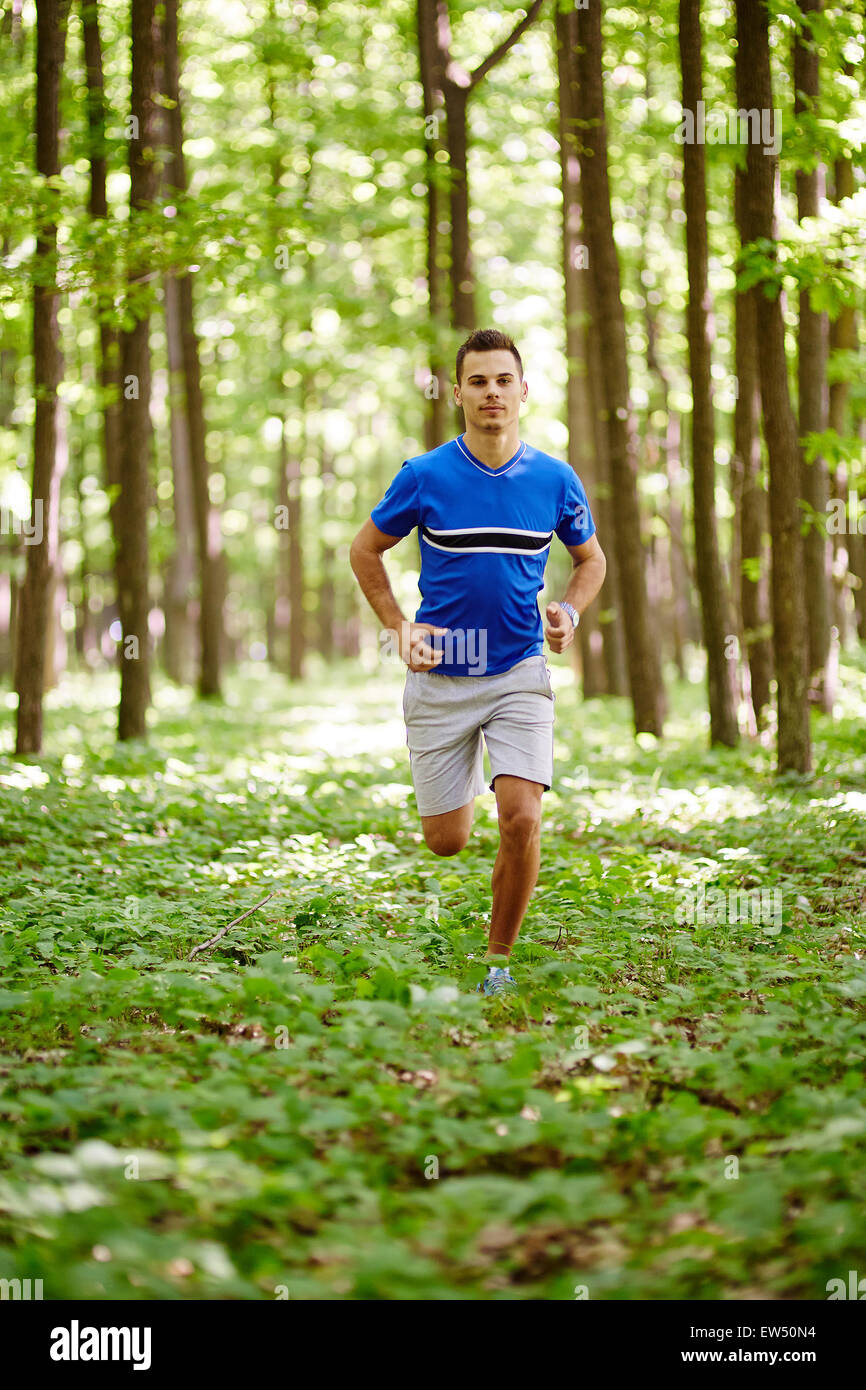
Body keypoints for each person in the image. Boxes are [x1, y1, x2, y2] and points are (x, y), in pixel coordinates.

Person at [349, 329, 606, 995]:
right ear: (458, 392)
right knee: (446, 842)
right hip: (441, 671)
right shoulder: (425, 476)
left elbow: (591, 560)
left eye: (504, 380)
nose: (492, 392)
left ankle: (498, 964)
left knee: (521, 815)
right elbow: (364, 550)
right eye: (479, 381)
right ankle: (459, 783)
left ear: (523, 390)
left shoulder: (554, 478)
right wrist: (398, 627)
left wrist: (570, 612)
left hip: (520, 670)